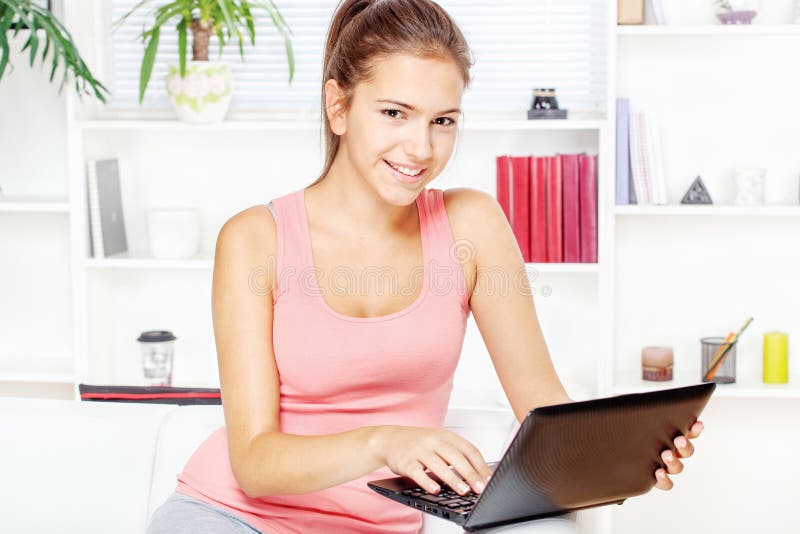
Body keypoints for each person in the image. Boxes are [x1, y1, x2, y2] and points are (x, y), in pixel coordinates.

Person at [146, 1, 704, 532]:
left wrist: (622, 453)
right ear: (338, 107)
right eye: (394, 113)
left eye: (443, 121)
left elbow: (541, 404)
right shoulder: (254, 239)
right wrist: (384, 442)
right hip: (232, 515)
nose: (420, 148)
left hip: (379, 524)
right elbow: (254, 462)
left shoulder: (472, 225)